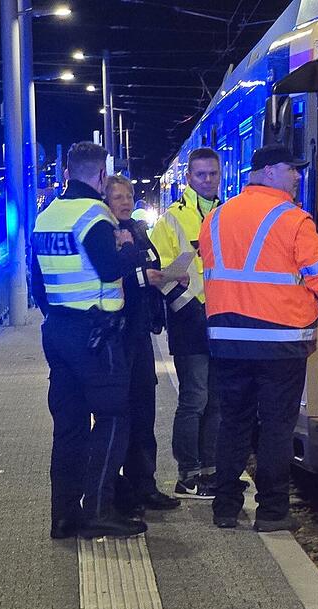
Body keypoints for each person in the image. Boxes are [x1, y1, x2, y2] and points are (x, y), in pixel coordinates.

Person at [202, 145, 318, 532]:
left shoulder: (215, 217)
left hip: (227, 339)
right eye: (290, 169)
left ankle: (225, 508)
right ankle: (272, 512)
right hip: (279, 341)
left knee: (232, 422)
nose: (297, 176)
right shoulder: (293, 220)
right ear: (266, 172)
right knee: (277, 427)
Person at [31, 142, 145, 539]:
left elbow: (37, 283)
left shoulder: (46, 216)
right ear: (100, 176)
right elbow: (110, 269)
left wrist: (58, 316)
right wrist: (129, 250)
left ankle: (63, 516)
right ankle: (98, 508)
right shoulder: (95, 214)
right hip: (96, 335)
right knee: (114, 417)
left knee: (69, 427)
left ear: (67, 171)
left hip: (58, 331)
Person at [104, 175, 181, 516]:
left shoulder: (137, 229)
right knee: (121, 415)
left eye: (128, 195)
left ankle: (145, 485)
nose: (124, 202)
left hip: (140, 332)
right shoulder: (102, 232)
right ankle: (120, 491)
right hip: (117, 335)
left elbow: (150, 264)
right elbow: (108, 277)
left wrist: (168, 275)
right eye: (117, 196)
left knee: (144, 412)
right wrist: (141, 277)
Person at [150, 148, 224, 499]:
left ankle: (210, 470)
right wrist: (188, 306)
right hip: (191, 320)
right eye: (200, 175)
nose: (207, 180)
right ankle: (187, 473)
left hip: (225, 319)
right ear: (188, 178)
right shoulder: (171, 220)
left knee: (218, 400)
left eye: (212, 174)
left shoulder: (228, 214)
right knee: (195, 398)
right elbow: (162, 275)